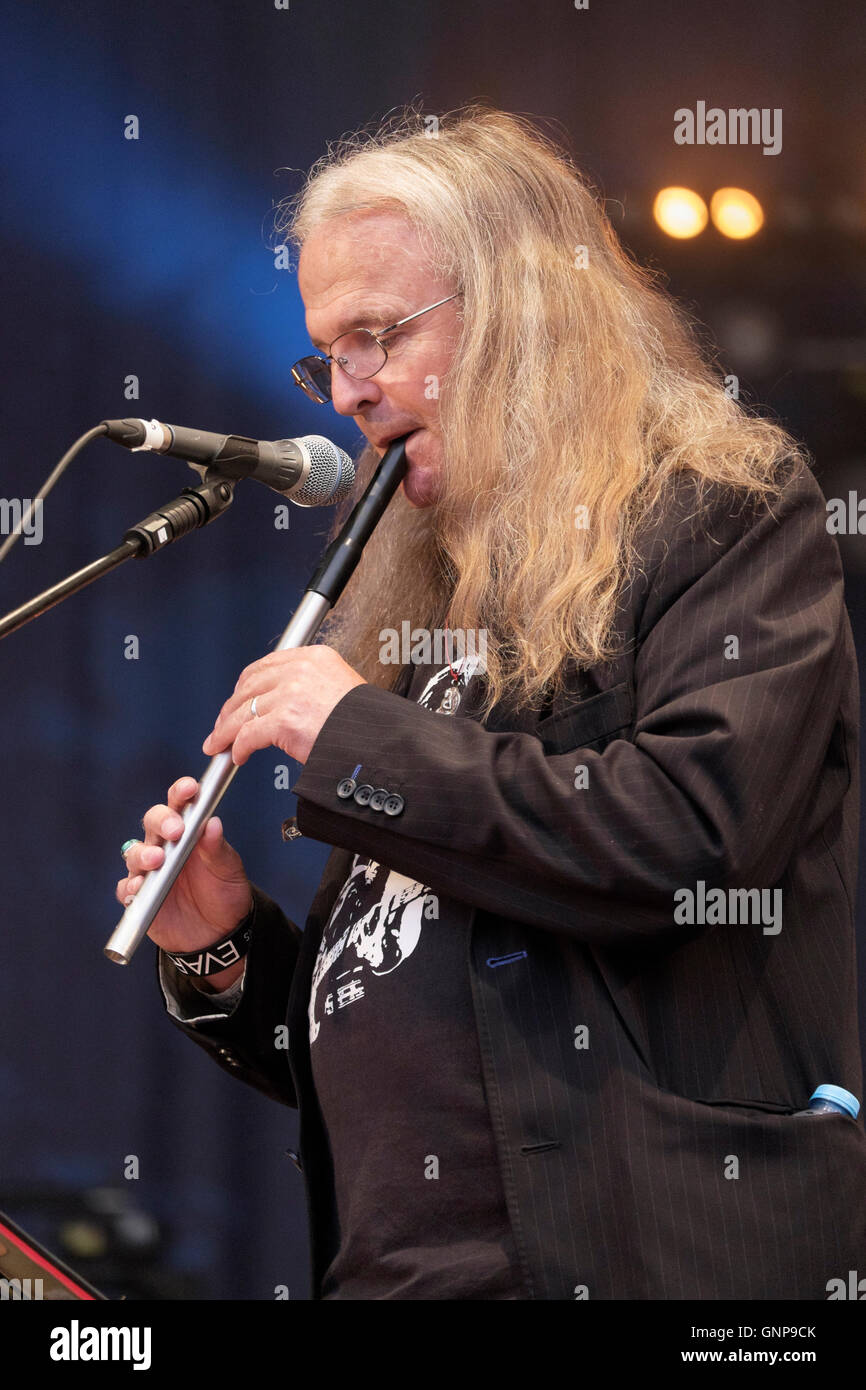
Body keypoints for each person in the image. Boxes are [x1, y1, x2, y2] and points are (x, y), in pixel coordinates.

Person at [116, 105, 866, 1301]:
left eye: (375, 337)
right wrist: (224, 955)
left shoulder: (720, 507)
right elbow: (401, 1026)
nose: (346, 394)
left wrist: (355, 733)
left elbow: (690, 837)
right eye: (327, 356)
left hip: (649, 1264)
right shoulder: (431, 619)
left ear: (523, 308)